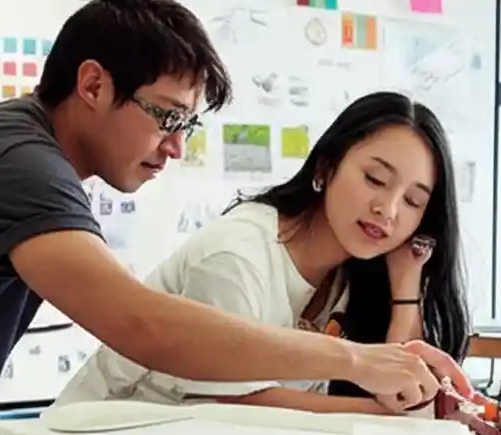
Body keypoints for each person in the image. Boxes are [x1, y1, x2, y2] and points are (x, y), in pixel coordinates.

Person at [0, 0, 468, 435]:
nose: (176, 147)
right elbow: (140, 325)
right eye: (167, 117)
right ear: (93, 85)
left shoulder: (22, 159)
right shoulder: (17, 165)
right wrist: (355, 358)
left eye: (189, 125)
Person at [57, 91, 471, 414]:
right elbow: (229, 405)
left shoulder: (354, 273)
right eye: (375, 178)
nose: (389, 210)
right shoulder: (237, 255)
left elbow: (405, 385)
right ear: (325, 168)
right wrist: (389, 416)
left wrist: (405, 284)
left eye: (414, 202)